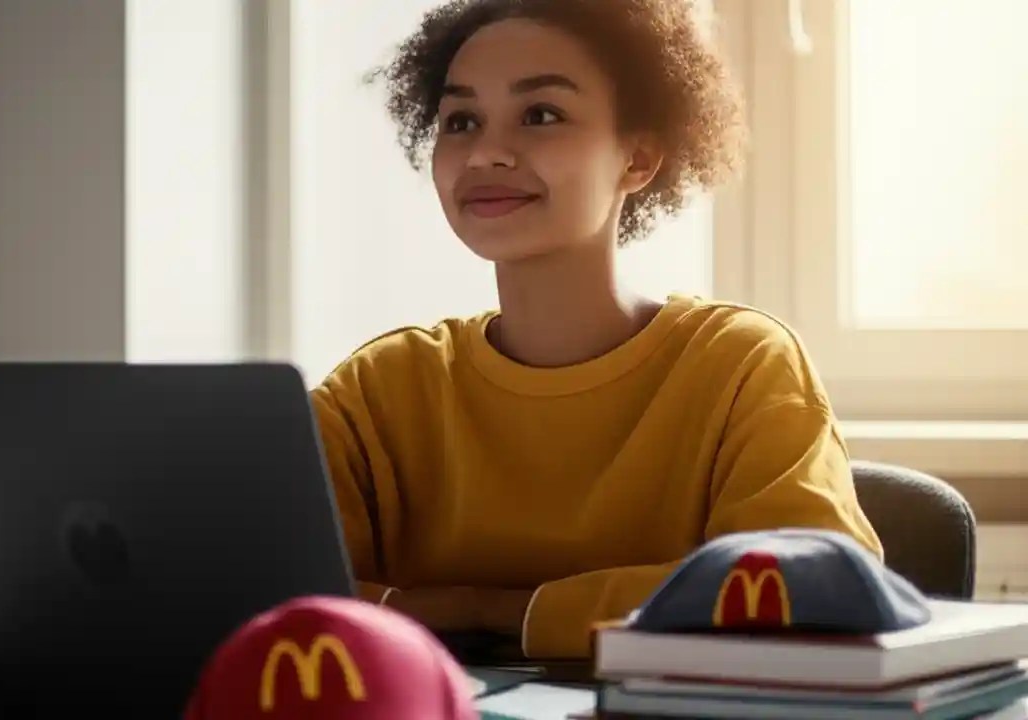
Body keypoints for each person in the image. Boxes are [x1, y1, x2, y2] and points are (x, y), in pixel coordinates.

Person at [309, 0, 883, 660]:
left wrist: (490, 610)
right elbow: (272, 591)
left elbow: (815, 596)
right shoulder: (378, 389)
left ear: (638, 158)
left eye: (541, 115)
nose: (487, 152)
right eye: (460, 120)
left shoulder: (740, 366)